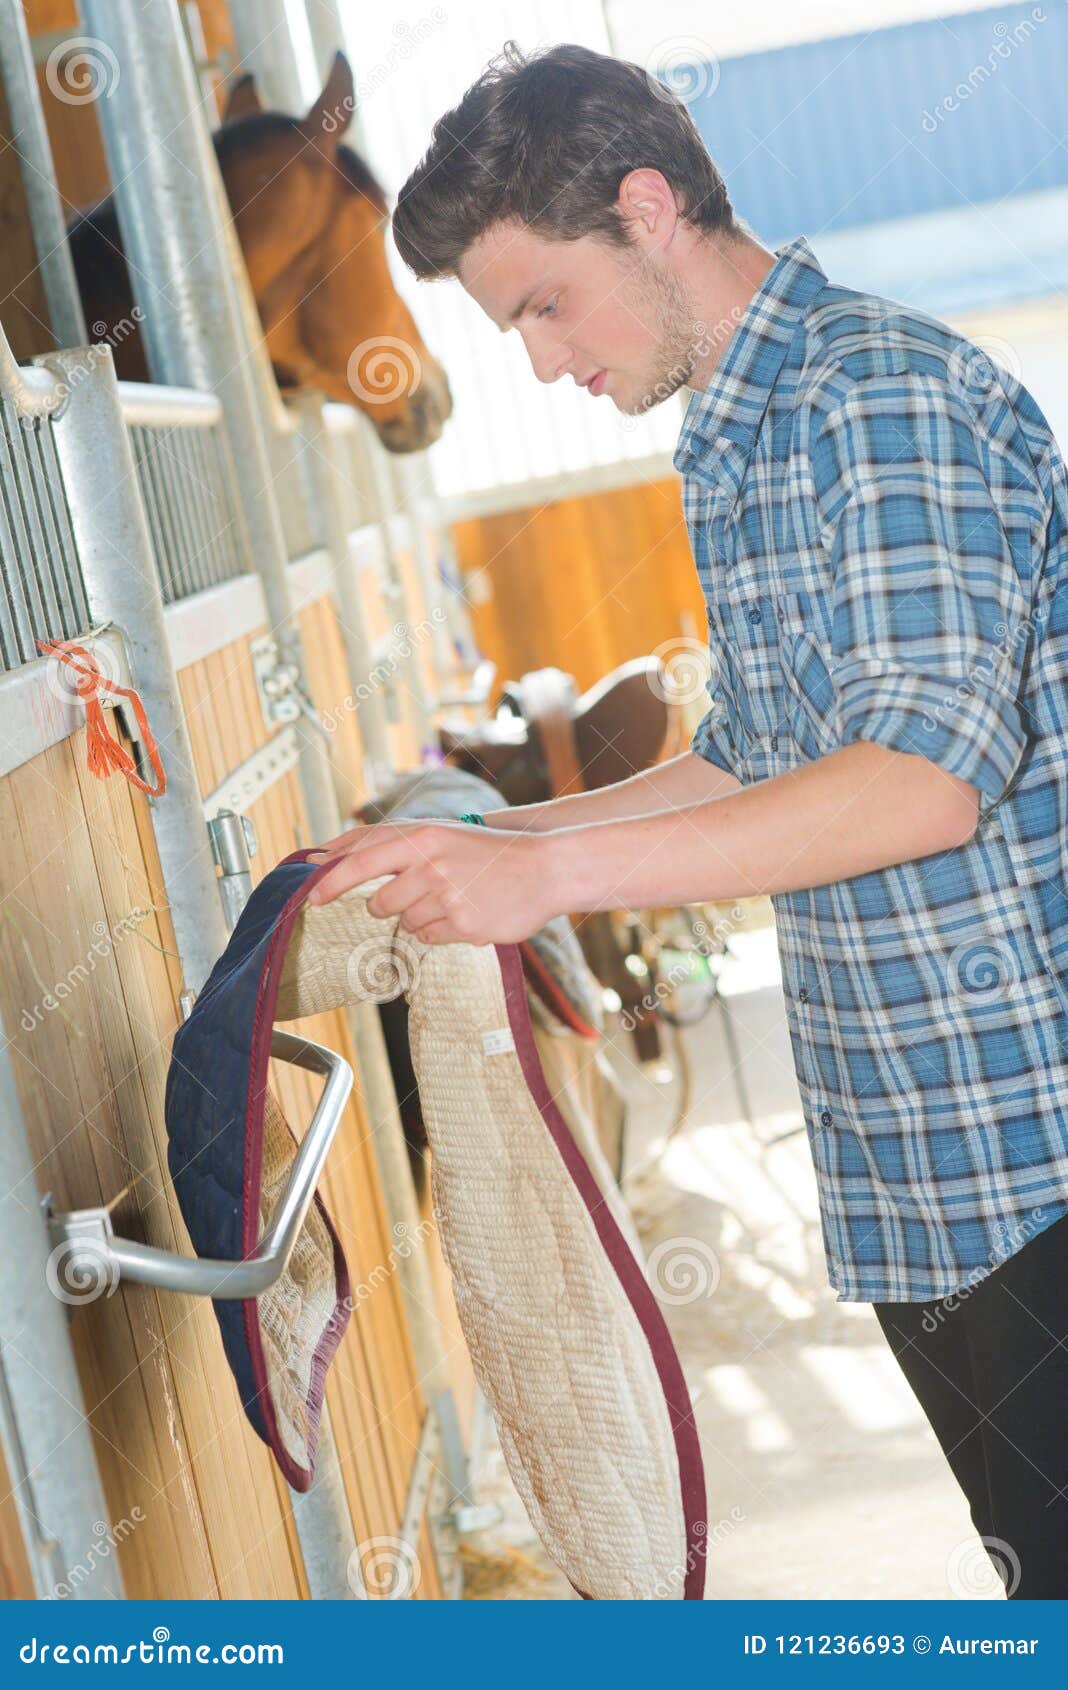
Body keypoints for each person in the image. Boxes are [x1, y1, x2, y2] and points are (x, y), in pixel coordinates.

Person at [305, 42, 1068, 1597]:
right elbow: (758, 759)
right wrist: (488, 851)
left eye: (542, 304)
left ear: (648, 210)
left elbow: (922, 779)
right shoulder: (737, 435)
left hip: (1034, 1147)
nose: (534, 361)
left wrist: (553, 870)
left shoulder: (881, 398)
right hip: (920, 1162)